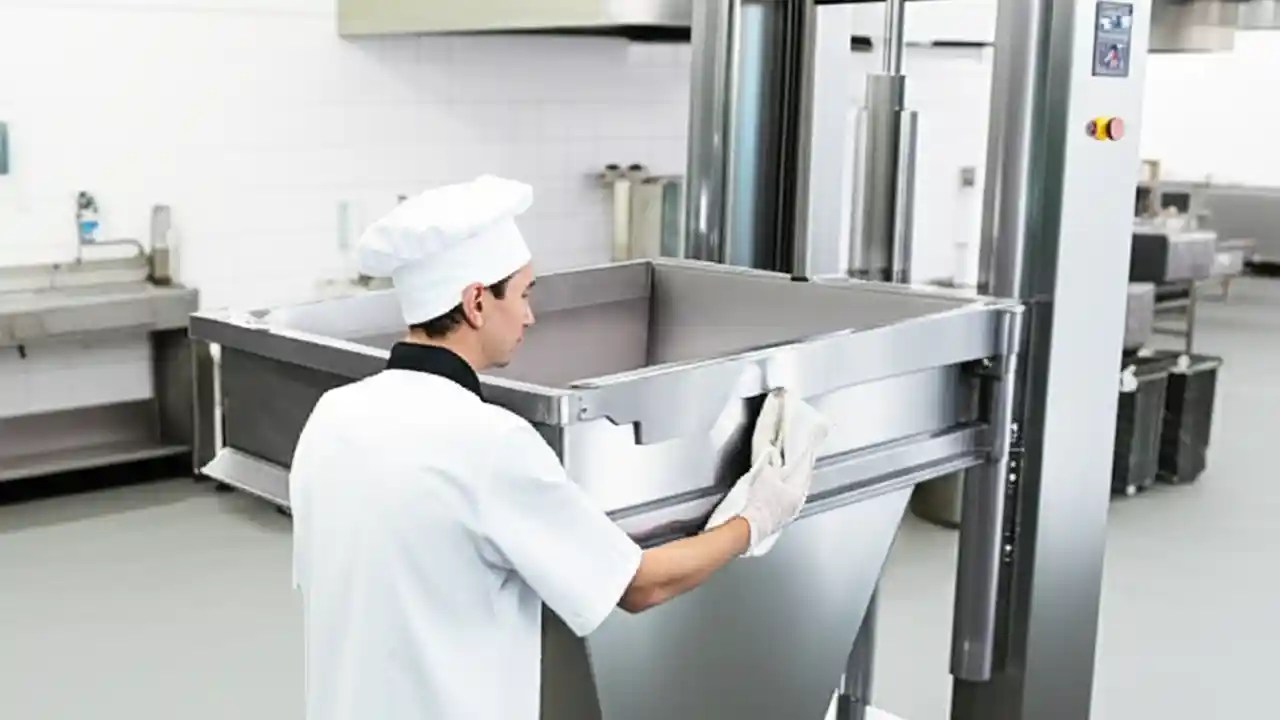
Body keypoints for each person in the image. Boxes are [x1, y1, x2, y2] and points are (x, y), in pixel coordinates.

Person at [288, 175, 816, 720]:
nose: (529, 316)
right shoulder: (489, 443)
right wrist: (757, 517)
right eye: (522, 294)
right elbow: (640, 586)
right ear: (475, 302)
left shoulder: (333, 415)